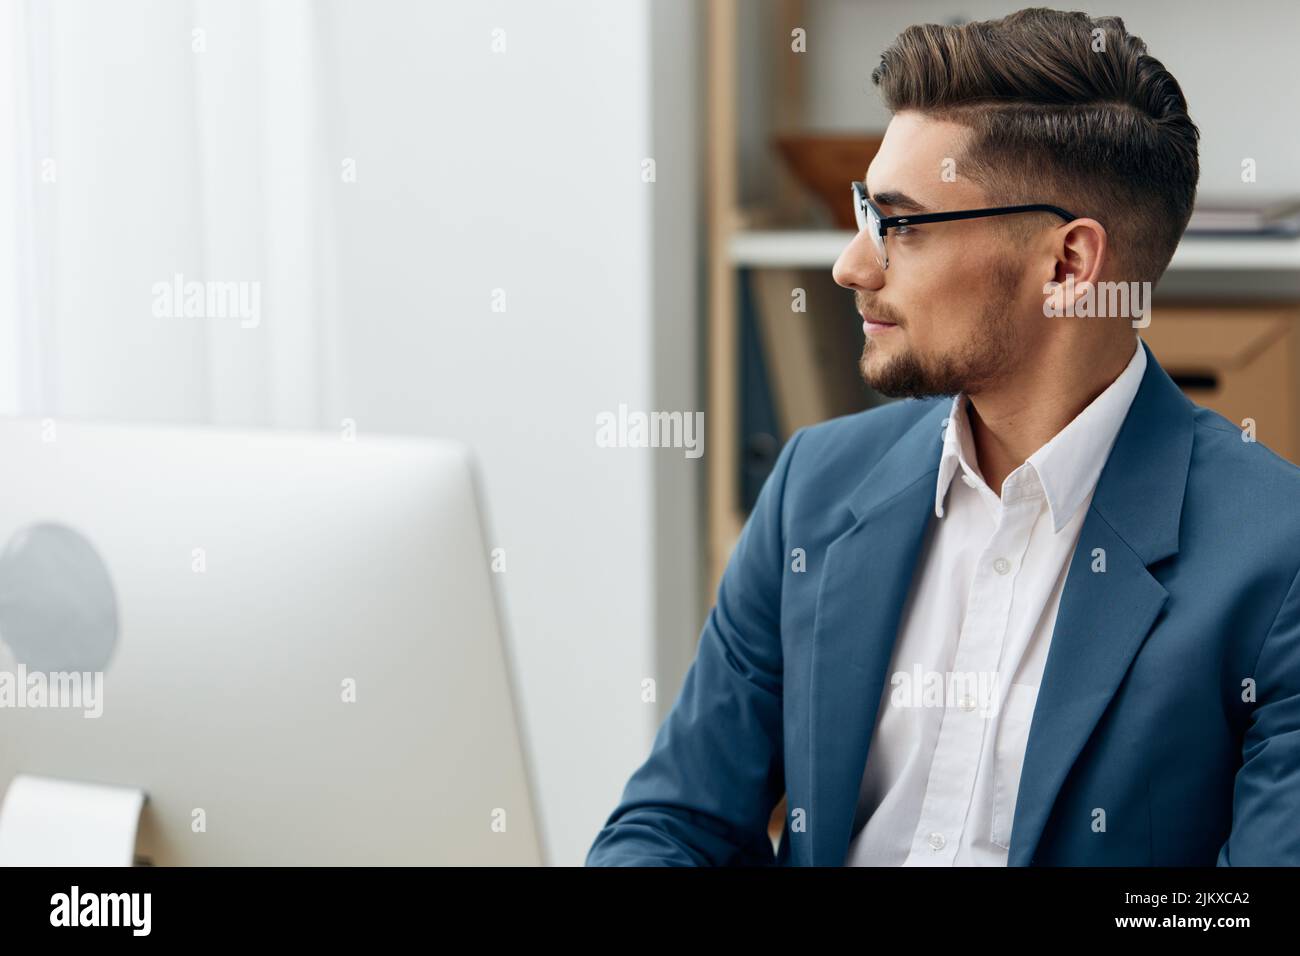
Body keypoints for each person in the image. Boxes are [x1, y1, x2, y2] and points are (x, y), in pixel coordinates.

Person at [587, 7, 1300, 866]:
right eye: (865, 210)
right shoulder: (815, 486)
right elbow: (673, 826)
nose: (852, 265)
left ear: (1069, 266)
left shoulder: (1276, 555)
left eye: (904, 223)